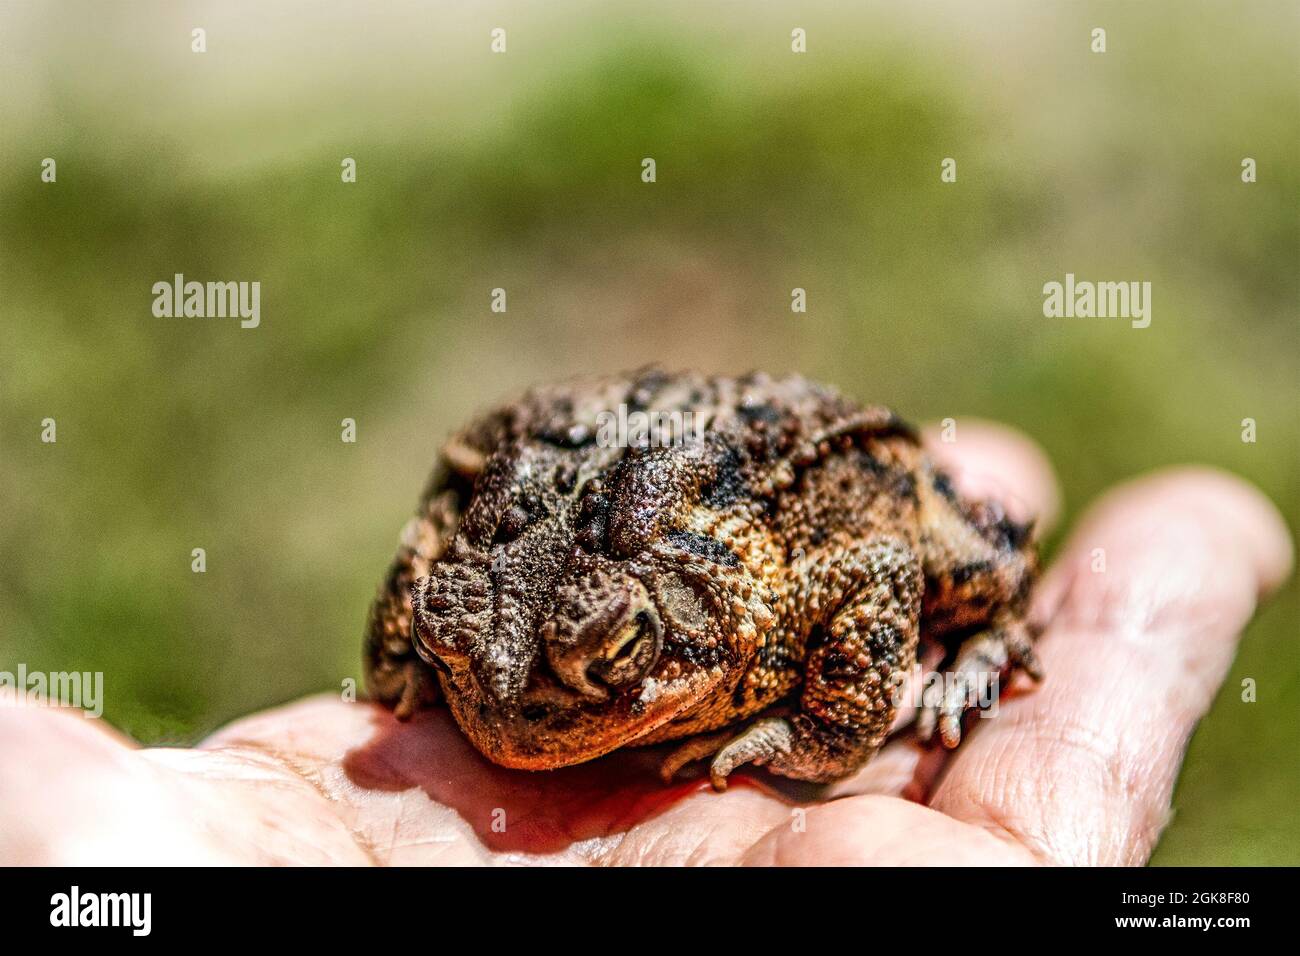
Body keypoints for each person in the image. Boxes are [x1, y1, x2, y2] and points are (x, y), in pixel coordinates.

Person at [0, 424, 1290, 865]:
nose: (510, 722)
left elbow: (876, 564)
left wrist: (799, 727)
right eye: (462, 657)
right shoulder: (485, 599)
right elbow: (442, 532)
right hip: (567, 473)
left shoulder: (751, 581)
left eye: (599, 666)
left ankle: (999, 639)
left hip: (793, 465)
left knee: (976, 566)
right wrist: (415, 658)